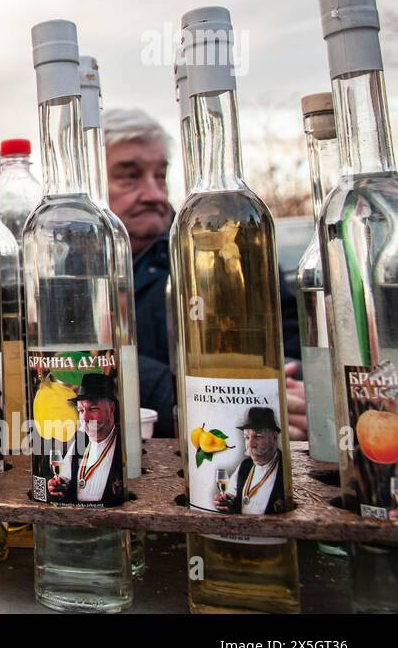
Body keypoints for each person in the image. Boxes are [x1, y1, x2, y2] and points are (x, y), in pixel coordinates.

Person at [102, 108, 304, 440]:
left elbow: (289, 336)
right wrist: (174, 398)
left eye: (160, 175)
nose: (154, 194)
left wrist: (292, 386)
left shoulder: (222, 246)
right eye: (130, 175)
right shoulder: (69, 271)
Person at [48, 374, 123, 505]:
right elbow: (64, 478)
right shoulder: (80, 440)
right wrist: (56, 485)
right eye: (81, 410)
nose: (85, 418)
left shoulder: (123, 444)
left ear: (111, 409)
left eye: (93, 409)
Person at [214, 406, 286, 515]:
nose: (251, 444)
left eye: (258, 436)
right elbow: (230, 495)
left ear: (274, 437)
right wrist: (224, 500)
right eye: (247, 437)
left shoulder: (286, 468)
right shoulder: (244, 466)